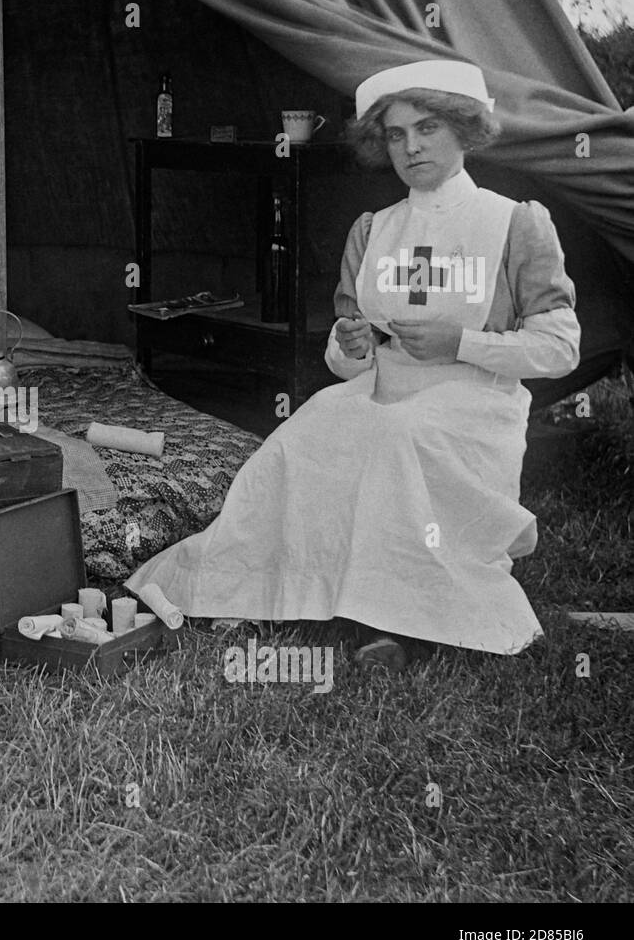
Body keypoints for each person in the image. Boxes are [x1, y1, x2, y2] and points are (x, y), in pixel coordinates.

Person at [126, 59, 580, 669]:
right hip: (384, 393)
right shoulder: (373, 231)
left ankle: (385, 619)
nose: (412, 146)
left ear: (466, 131)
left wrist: (461, 343)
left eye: (428, 128)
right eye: (396, 134)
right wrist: (351, 347)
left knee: (393, 435)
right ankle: (271, 586)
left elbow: (559, 347)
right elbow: (349, 366)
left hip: (476, 404)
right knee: (305, 432)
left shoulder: (514, 223)